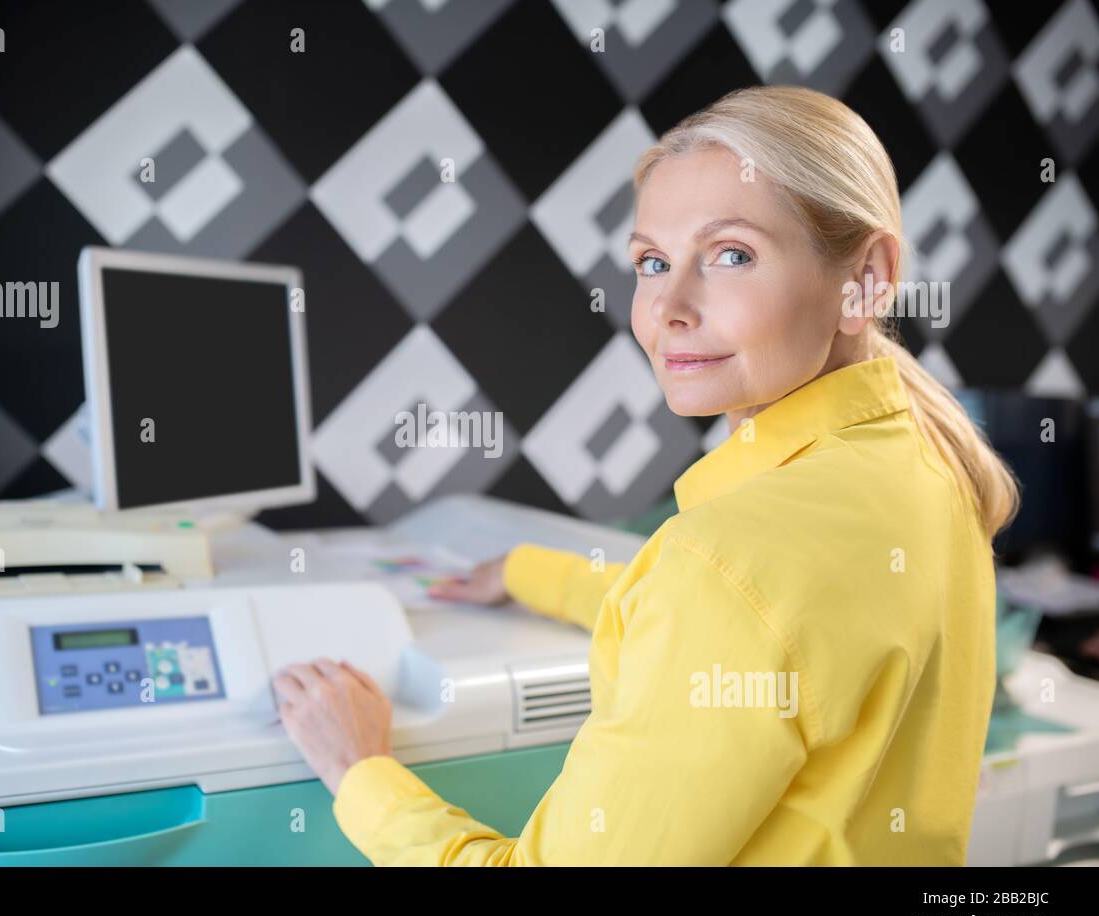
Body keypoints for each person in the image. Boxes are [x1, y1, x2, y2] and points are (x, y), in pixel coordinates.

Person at [271, 85, 1019, 865]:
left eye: (732, 255)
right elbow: (772, 621)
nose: (669, 308)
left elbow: (736, 604)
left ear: (865, 278)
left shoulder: (729, 565)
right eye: (653, 262)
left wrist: (361, 771)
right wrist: (530, 574)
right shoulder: (926, 458)